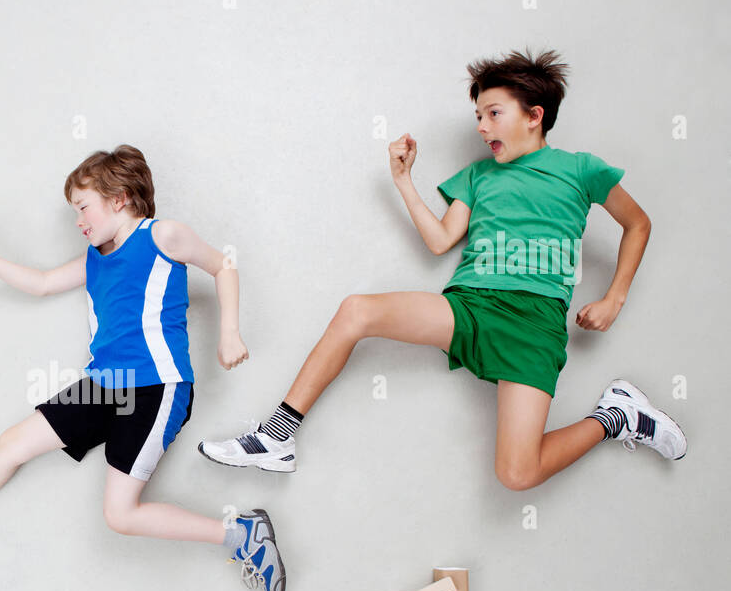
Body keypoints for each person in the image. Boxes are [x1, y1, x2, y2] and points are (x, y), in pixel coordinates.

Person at [199, 49, 685, 488]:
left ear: (534, 116)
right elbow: (440, 241)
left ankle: (616, 417)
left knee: (518, 474)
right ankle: (277, 436)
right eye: (478, 116)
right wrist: (404, 180)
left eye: (493, 113)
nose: (482, 126)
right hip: (471, 307)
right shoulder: (477, 176)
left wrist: (614, 296)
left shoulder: (581, 170)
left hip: (536, 326)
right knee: (356, 310)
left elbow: (638, 223)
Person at [0, 146, 288, 591]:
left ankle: (240, 534)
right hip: (103, 385)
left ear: (120, 198)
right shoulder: (93, 260)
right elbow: (42, 283)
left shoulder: (163, 235)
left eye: (82, 207)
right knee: (11, 444)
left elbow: (223, 265)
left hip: (158, 387)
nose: (78, 221)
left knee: (120, 515)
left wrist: (228, 333)